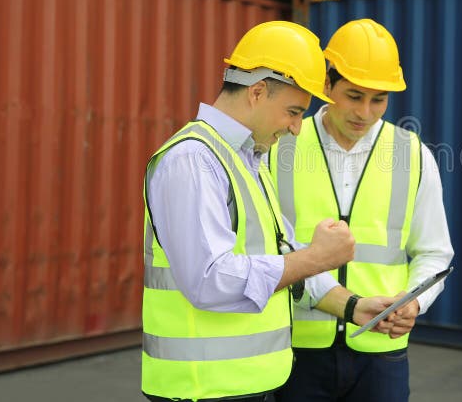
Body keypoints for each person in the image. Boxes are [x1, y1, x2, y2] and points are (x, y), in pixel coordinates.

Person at [141, 21, 397, 402]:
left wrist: (354, 306)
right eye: (293, 111)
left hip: (242, 387)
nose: (297, 128)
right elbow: (209, 281)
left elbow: (282, 258)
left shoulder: (249, 161)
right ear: (257, 92)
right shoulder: (193, 160)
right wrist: (314, 258)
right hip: (203, 391)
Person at [269, 19, 455, 401]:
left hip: (380, 353)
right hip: (295, 348)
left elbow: (434, 253)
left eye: (379, 99)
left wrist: (414, 302)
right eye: (353, 96)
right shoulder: (279, 148)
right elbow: (271, 249)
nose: (366, 113)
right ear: (325, 85)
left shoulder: (412, 154)